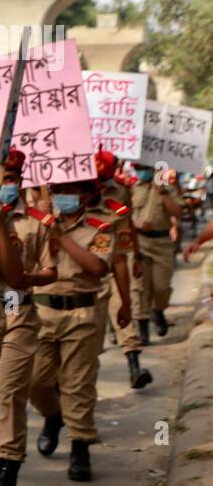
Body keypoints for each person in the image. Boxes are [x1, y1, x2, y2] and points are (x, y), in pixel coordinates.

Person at [0, 149, 57, 486]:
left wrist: (31, 277)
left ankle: (8, 481)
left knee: (9, 394)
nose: (3, 185)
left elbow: (49, 270)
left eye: (11, 179)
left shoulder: (36, 223)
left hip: (19, 313)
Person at [28, 178, 116, 482]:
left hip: (81, 313)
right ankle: (53, 417)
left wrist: (61, 237)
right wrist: (42, 226)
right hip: (41, 312)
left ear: (86, 194)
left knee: (77, 383)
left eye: (72, 190)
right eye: (59, 190)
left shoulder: (100, 227)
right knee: (34, 380)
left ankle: (81, 446)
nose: (64, 196)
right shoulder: (37, 222)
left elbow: (98, 268)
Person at [91, 150, 152, 389]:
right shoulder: (74, 193)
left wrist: (136, 255)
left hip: (117, 259)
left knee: (122, 309)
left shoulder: (120, 191)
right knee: (89, 327)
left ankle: (134, 365)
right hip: (86, 265)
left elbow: (127, 227)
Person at [129, 162, 182, 342]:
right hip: (139, 241)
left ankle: (158, 311)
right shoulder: (130, 187)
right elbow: (122, 213)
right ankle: (142, 325)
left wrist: (163, 192)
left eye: (143, 168)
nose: (141, 172)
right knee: (139, 287)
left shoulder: (166, 184)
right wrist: (136, 224)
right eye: (137, 168)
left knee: (162, 286)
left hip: (162, 242)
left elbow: (179, 211)